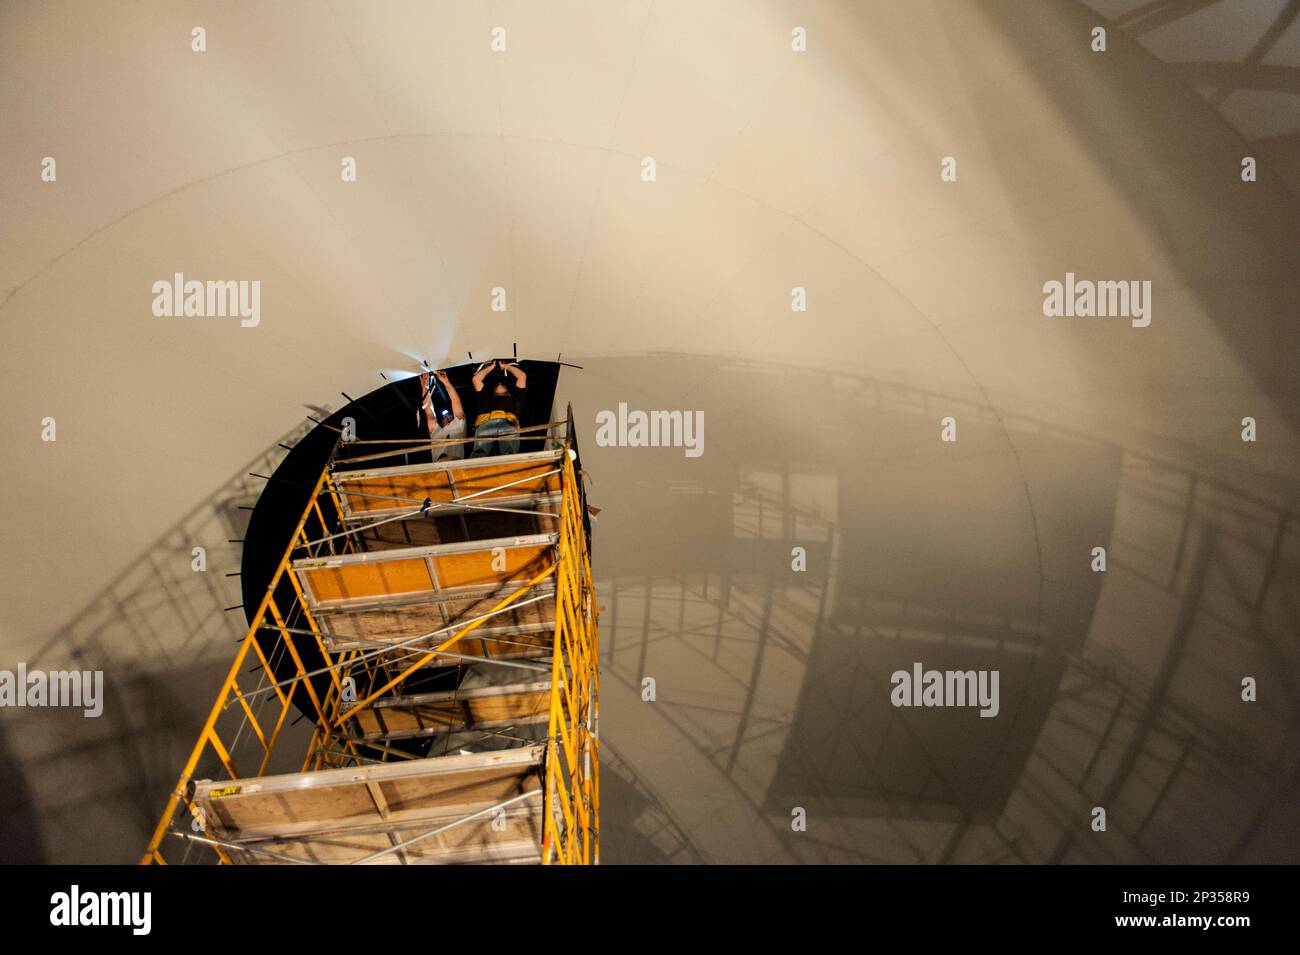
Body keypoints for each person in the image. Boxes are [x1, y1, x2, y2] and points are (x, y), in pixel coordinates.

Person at [470, 360, 527, 457]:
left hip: (508, 423)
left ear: (508, 390)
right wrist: (491, 367)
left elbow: (522, 376)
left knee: (509, 454)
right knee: (479, 454)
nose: (499, 383)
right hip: (487, 422)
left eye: (502, 384)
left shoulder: (516, 398)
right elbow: (476, 379)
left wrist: (505, 366)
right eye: (497, 384)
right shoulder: (486, 398)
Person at [422, 369, 466, 461]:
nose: (446, 416)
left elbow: (455, 401)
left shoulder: (458, 425)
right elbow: (429, 413)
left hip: (454, 463)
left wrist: (446, 382)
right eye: (445, 415)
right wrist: (425, 387)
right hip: (440, 468)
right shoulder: (438, 432)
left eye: (449, 415)